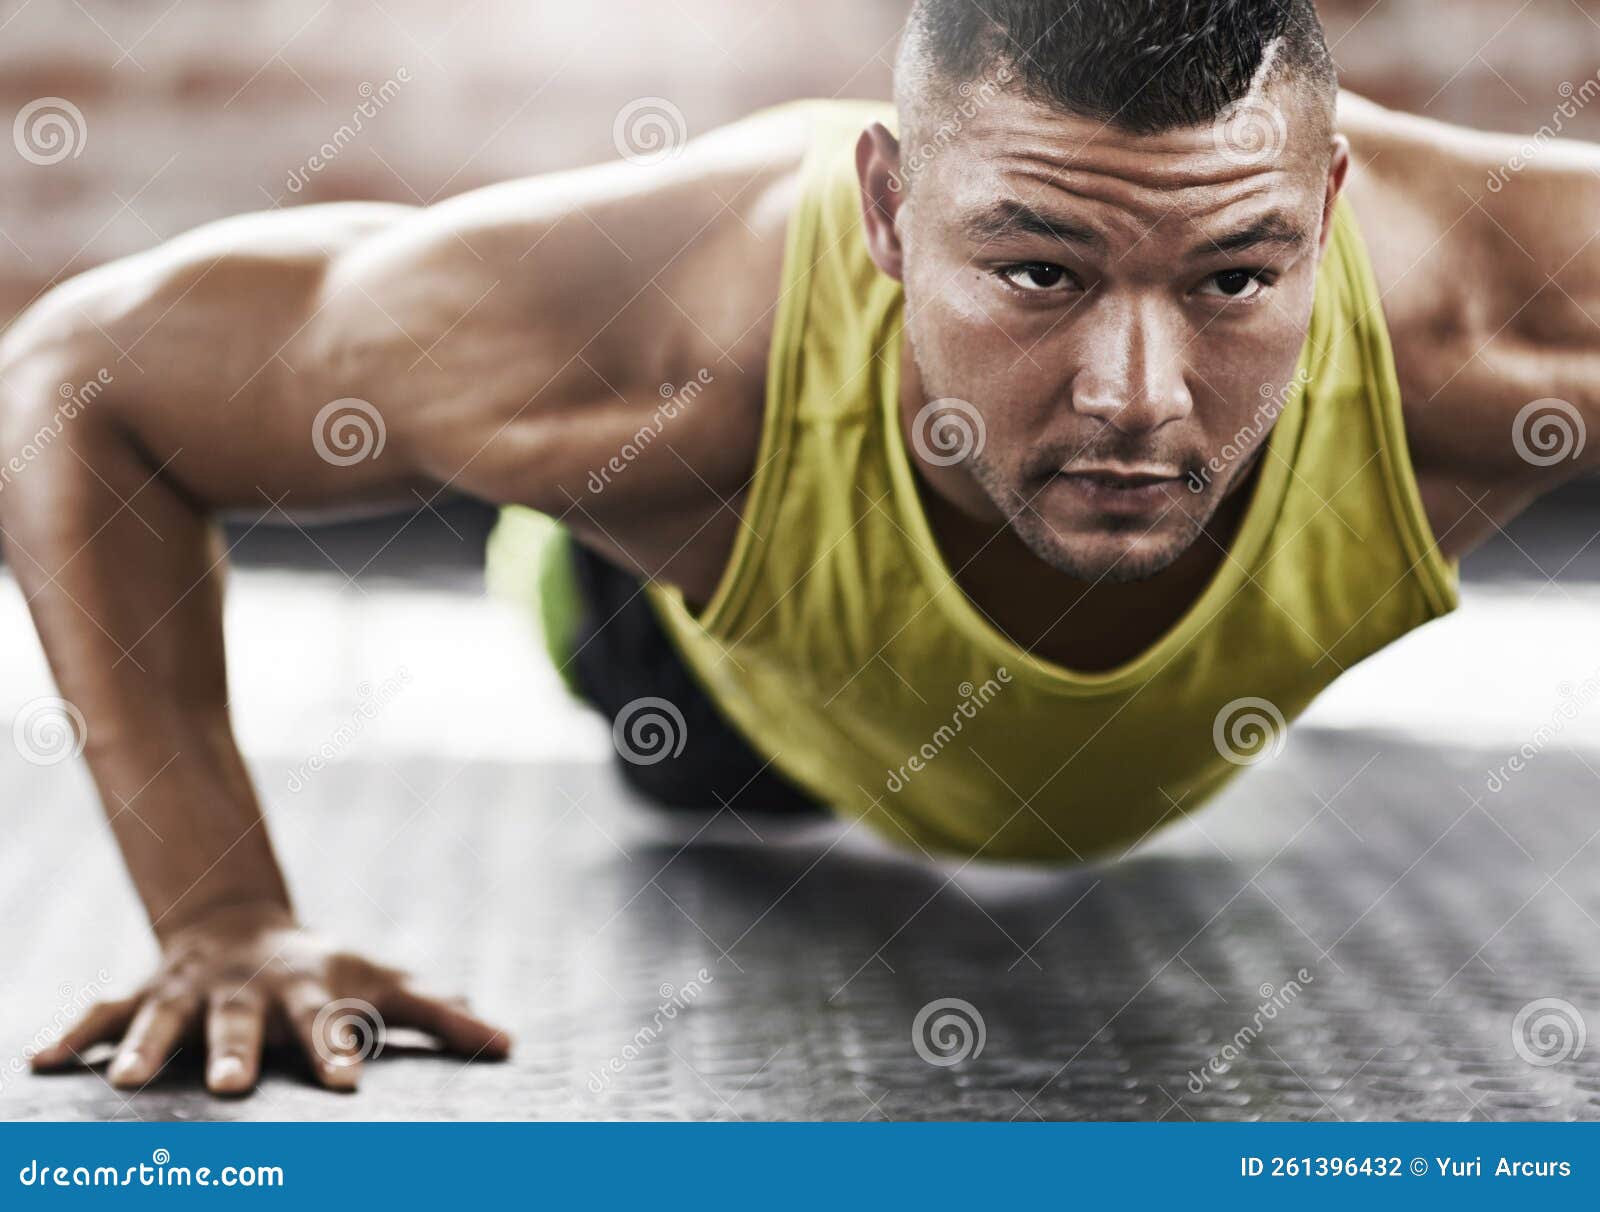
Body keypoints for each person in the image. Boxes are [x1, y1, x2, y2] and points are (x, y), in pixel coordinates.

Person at [2, 0, 1595, 1098]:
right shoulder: (658, 348)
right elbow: (79, 378)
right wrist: (220, 916)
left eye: (1235, 281)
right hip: (708, 695)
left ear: (1325, 208)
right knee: (652, 672)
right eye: (1039, 272)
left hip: (1192, 715)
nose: (1135, 397)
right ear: (890, 215)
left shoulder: (1502, 315)